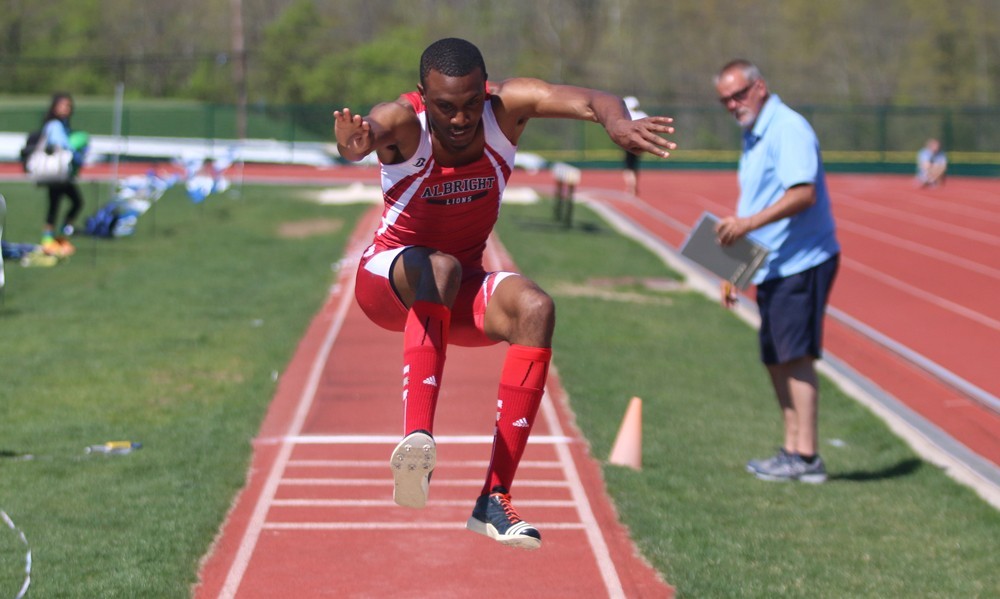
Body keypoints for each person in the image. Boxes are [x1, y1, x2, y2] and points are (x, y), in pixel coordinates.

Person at [334, 37, 676, 549]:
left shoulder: (508, 108)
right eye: (446, 107)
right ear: (424, 97)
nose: (461, 119)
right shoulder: (405, 122)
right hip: (389, 281)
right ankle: (417, 442)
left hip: (455, 289)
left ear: (486, 89)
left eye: (472, 103)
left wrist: (617, 122)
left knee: (535, 308)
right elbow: (370, 132)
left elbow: (591, 98)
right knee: (442, 266)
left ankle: (494, 498)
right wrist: (354, 144)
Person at [713, 59, 840, 484]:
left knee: (795, 356)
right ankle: (791, 449)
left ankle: (806, 456)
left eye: (739, 94)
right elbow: (756, 203)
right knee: (774, 357)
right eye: (725, 99)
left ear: (760, 87)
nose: (733, 104)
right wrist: (736, 271)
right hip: (771, 263)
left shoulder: (788, 128)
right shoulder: (755, 133)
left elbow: (802, 193)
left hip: (801, 260)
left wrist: (746, 226)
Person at [38, 93, 88, 248]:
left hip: (61, 172)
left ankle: (53, 236)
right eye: (63, 105)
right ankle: (54, 237)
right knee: (71, 202)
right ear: (54, 107)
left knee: (58, 203)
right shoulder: (54, 125)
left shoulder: (63, 124)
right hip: (56, 171)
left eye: (68, 106)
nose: (66, 108)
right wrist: (76, 142)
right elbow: (61, 144)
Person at [622, 96, 649, 195]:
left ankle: (631, 187)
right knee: (635, 165)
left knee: (628, 166)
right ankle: (634, 185)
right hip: (640, 143)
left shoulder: (626, 116)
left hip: (629, 143)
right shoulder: (642, 115)